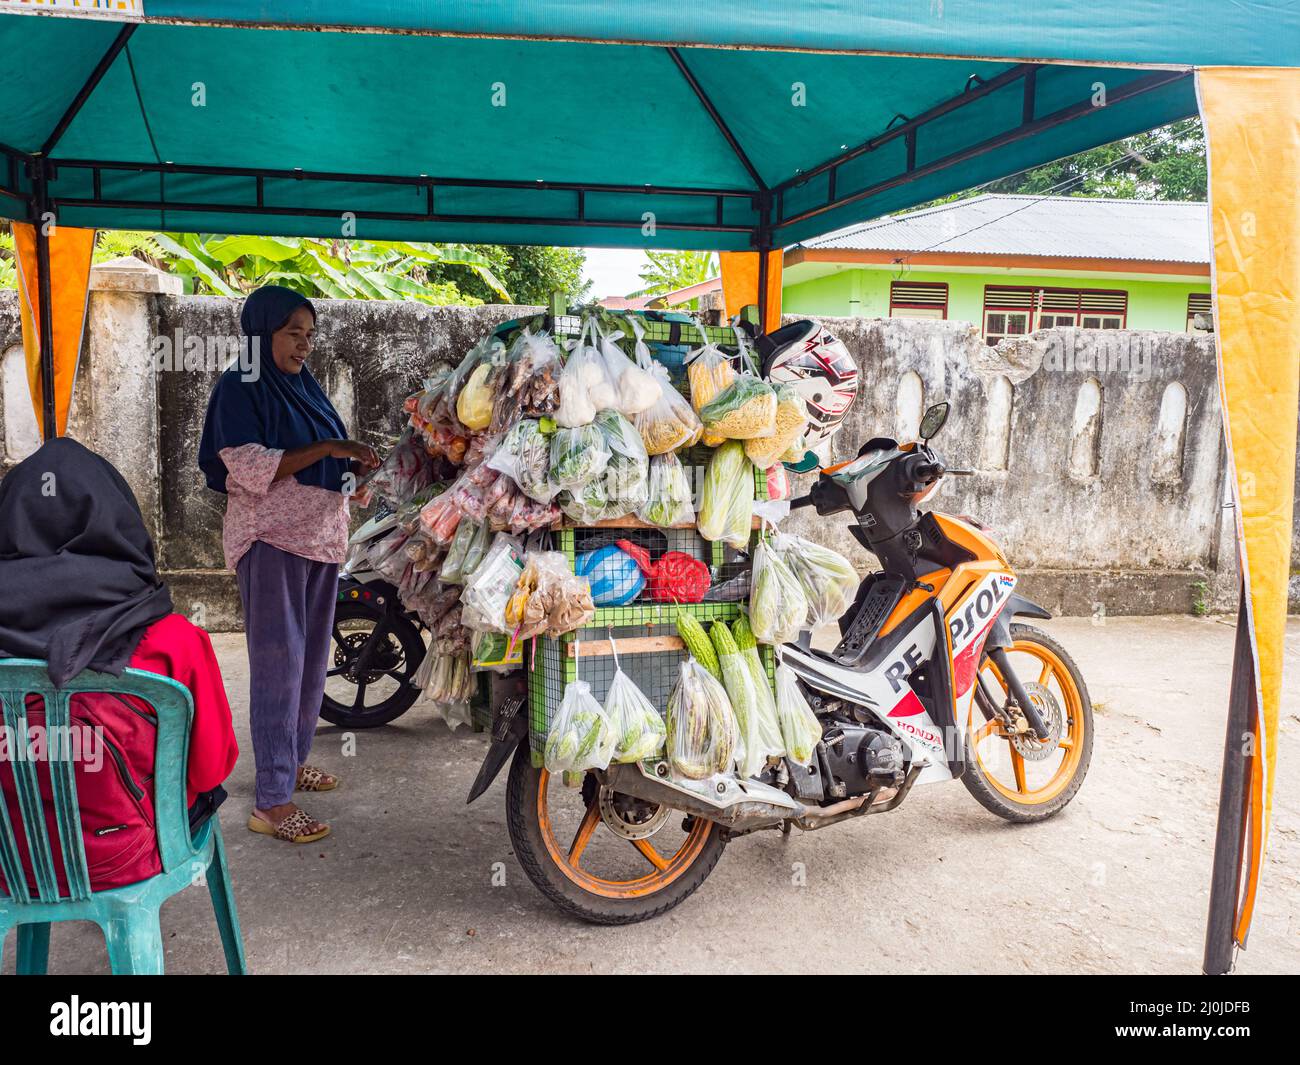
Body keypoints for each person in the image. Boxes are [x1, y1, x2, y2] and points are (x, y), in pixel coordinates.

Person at [0, 437, 239, 895]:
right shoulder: (173, 640)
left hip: (5, 858)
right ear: (118, 520)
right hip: (125, 853)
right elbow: (210, 769)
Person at [198, 285, 378, 844]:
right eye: (293, 333)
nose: (305, 345)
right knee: (280, 666)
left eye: (310, 334)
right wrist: (330, 449)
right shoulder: (240, 385)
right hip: (271, 541)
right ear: (262, 332)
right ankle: (272, 802)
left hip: (320, 542)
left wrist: (358, 474)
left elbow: (326, 467)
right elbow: (249, 467)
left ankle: (292, 762)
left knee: (308, 663)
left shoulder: (304, 386)